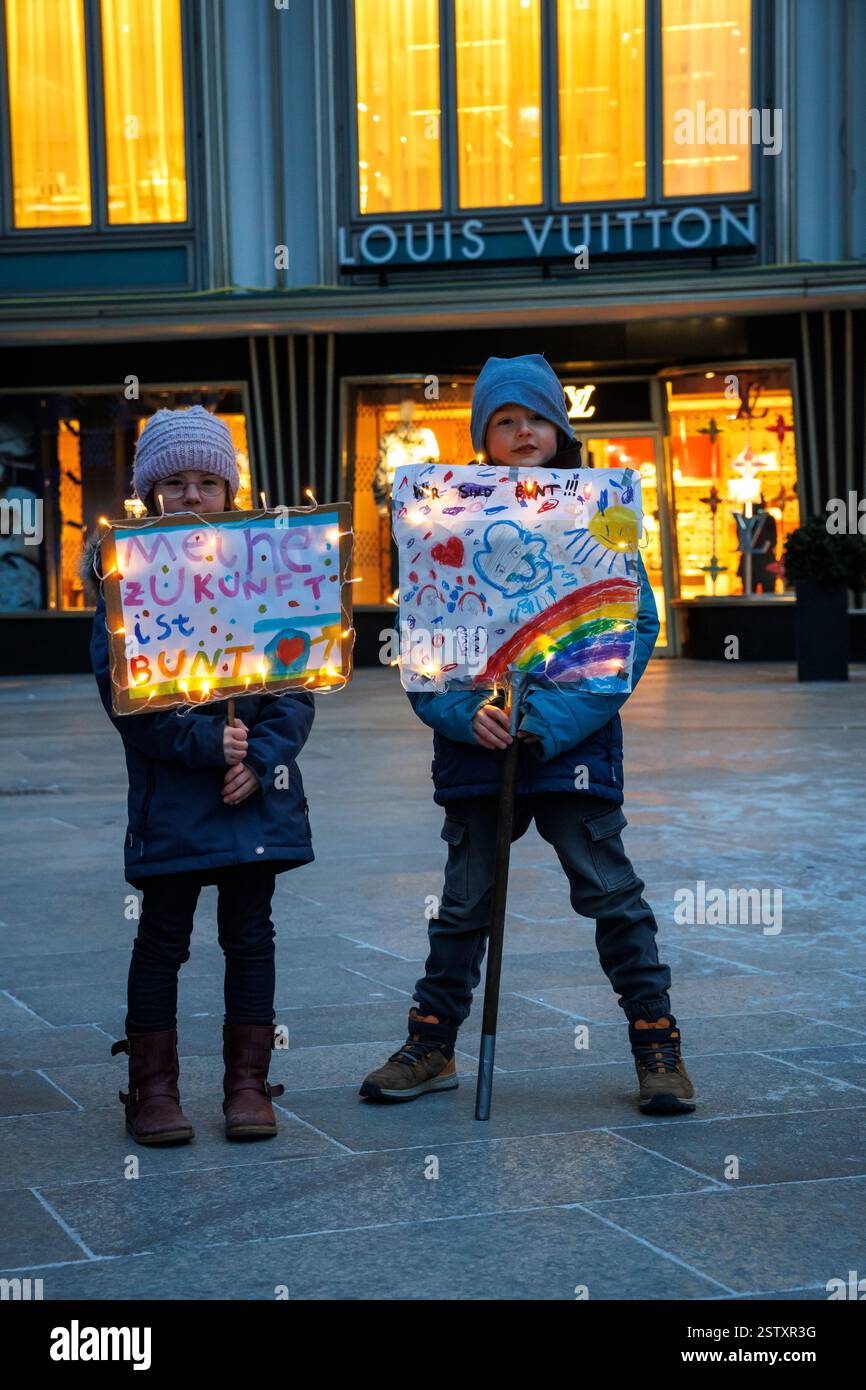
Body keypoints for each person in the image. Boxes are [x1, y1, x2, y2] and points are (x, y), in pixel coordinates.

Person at [359, 355, 695, 1114]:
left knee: (612, 895)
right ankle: (432, 1042)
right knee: (463, 906)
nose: (521, 432)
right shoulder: (448, 514)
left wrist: (549, 723)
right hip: (479, 748)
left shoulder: (600, 511)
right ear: (483, 434)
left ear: (560, 427)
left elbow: (631, 629)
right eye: (504, 421)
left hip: (571, 750)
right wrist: (463, 712)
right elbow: (425, 636)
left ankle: (657, 1042)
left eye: (535, 417)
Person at [88, 406, 315, 1145]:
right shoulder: (127, 572)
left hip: (254, 795)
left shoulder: (263, 566)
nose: (191, 496)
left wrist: (260, 757)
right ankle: (152, 1088)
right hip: (175, 797)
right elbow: (125, 695)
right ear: (152, 494)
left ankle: (248, 1084)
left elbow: (297, 679)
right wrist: (202, 742)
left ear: (229, 489)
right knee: (163, 939)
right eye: (174, 483)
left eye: (207, 482)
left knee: (251, 936)